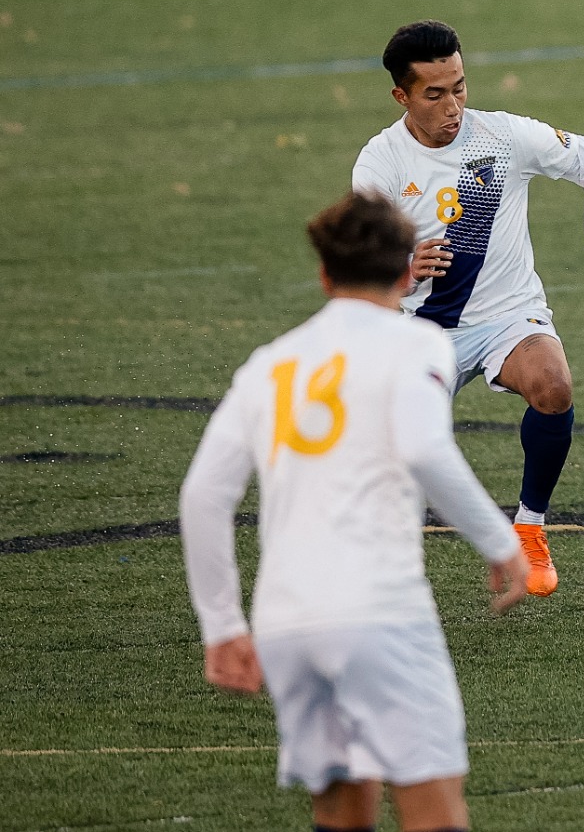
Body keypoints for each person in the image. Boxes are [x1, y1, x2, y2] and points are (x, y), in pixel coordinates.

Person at [180, 190, 530, 832]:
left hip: (285, 623)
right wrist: (500, 541)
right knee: (434, 814)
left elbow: (203, 495)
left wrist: (222, 624)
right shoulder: (416, 344)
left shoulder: (269, 365)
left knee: (340, 812)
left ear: (323, 275)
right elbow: (424, 447)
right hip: (379, 613)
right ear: (406, 273)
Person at [352, 20, 584, 598]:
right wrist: (403, 268)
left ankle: (529, 529)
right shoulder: (381, 163)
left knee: (553, 386)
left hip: (508, 314)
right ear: (402, 96)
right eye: (435, 94)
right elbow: (359, 271)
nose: (453, 106)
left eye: (459, 87)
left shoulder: (502, 138)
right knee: (399, 461)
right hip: (422, 329)